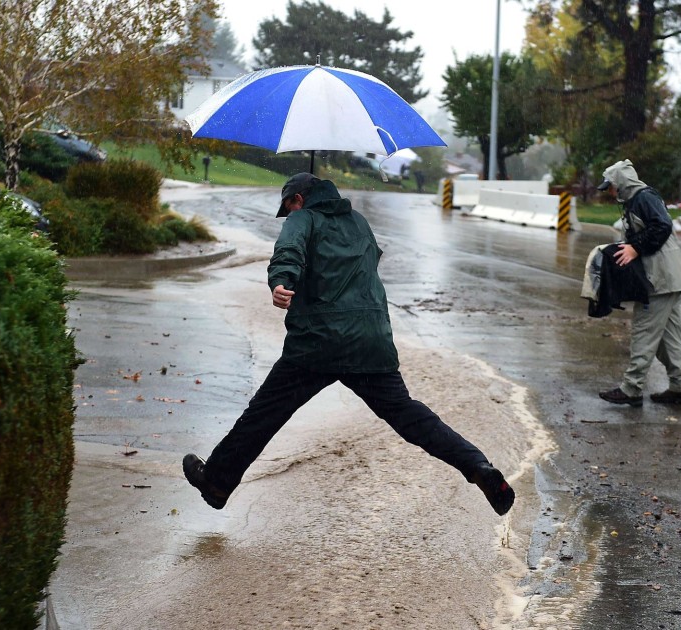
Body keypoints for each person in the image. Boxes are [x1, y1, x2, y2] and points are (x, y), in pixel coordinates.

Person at [182, 173, 516, 516]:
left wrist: (281, 281)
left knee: (264, 414)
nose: (289, 214)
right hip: (371, 341)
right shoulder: (359, 222)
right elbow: (364, 267)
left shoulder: (301, 219)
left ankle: (217, 482)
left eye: (289, 206)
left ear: (298, 199)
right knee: (409, 416)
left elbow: (288, 251)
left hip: (318, 344)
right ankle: (478, 467)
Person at [594, 159, 681, 407]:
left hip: (659, 279)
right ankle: (680, 388)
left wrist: (635, 248)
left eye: (611, 187)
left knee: (644, 332)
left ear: (621, 183)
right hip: (669, 278)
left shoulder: (643, 199)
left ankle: (632, 388)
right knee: (668, 339)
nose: (610, 192)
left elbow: (662, 226)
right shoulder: (637, 199)